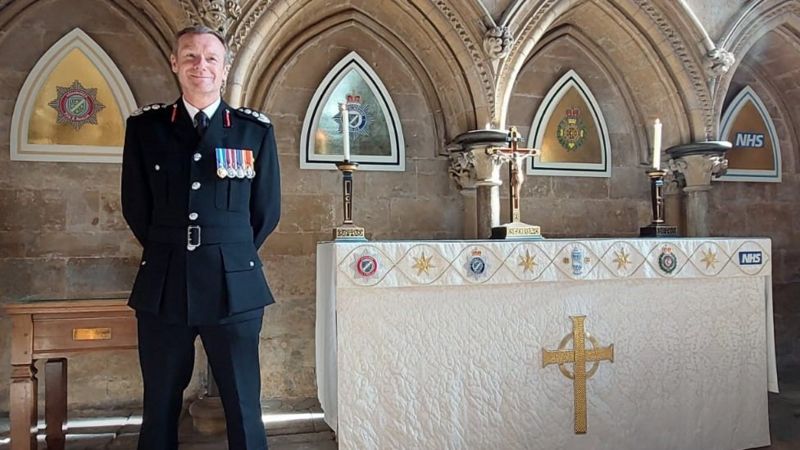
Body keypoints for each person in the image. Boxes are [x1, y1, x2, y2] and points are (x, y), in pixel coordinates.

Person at [121, 25, 280, 450]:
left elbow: (266, 212)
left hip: (234, 284)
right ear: (174, 63)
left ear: (225, 69)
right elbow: (137, 209)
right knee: (159, 405)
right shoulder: (145, 128)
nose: (200, 65)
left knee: (244, 404)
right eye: (190, 56)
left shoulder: (253, 131)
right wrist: (174, 249)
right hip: (164, 284)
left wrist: (226, 253)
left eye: (211, 58)